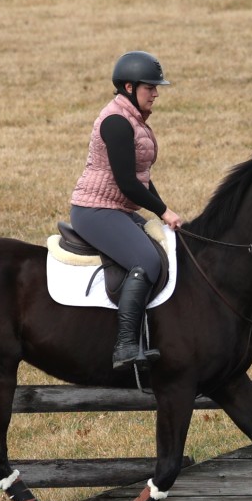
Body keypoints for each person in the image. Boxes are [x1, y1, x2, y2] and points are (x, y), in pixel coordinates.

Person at [70, 51, 184, 370]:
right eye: (151, 87)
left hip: (115, 207)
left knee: (161, 249)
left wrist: (162, 210)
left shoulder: (134, 120)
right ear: (130, 88)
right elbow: (127, 183)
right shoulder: (117, 122)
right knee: (146, 260)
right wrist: (164, 212)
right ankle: (125, 346)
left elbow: (142, 179)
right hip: (95, 210)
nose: (157, 93)